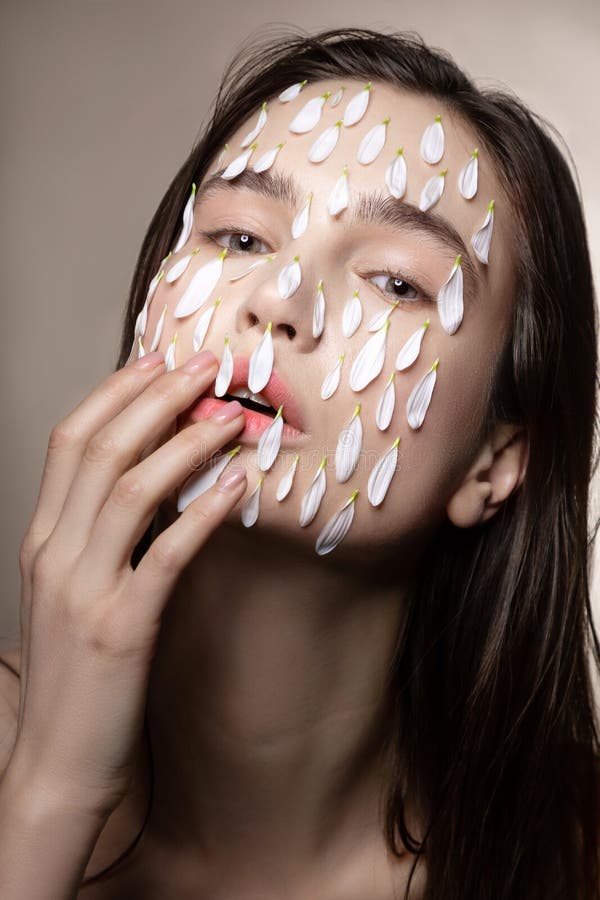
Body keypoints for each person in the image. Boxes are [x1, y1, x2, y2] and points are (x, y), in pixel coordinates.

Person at [0, 25, 598, 900]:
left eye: (395, 281)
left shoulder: (573, 853)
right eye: (240, 238)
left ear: (496, 463)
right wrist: (48, 795)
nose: (278, 300)